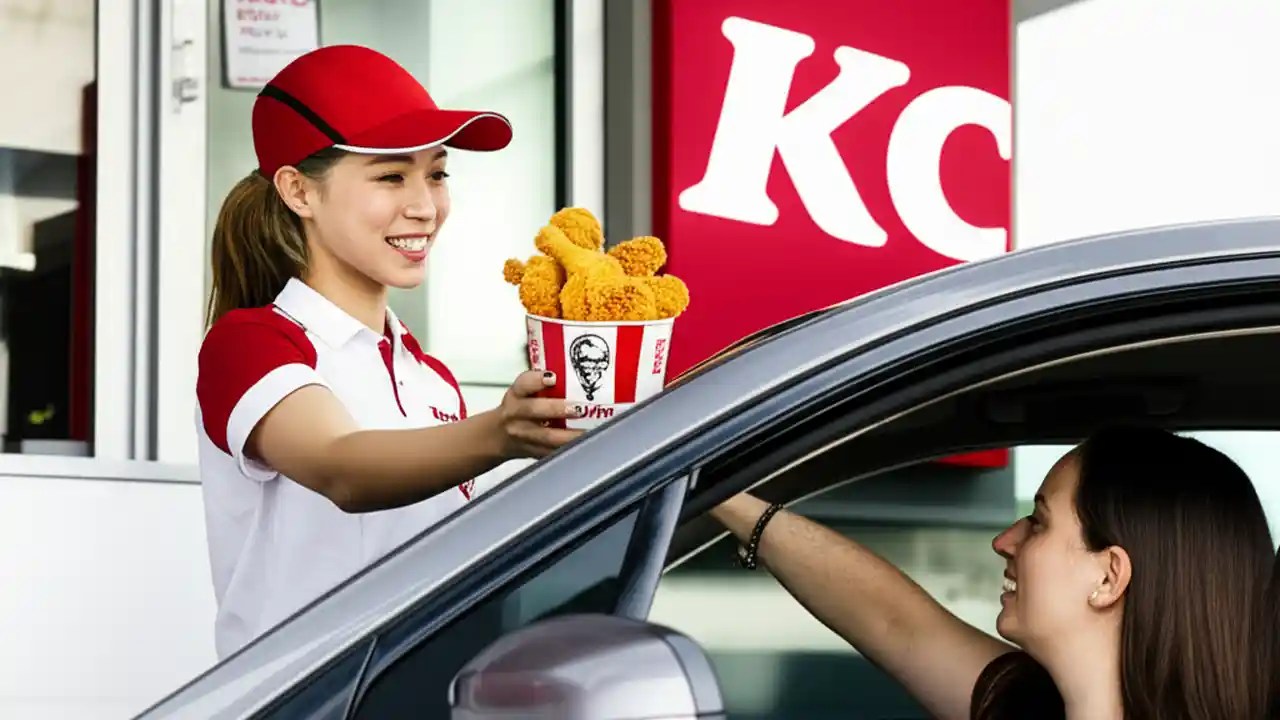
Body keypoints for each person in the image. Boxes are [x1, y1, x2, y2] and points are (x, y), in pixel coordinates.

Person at [195, 45, 582, 659]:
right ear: (298, 191)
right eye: (389, 175)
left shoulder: (434, 380)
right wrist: (500, 435)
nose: (425, 206)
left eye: (436, 173)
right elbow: (341, 467)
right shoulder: (253, 343)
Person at [712, 426, 1276, 719]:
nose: (1003, 541)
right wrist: (714, 491)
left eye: (1038, 522)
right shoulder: (1028, 709)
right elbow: (892, 620)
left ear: (1108, 577)